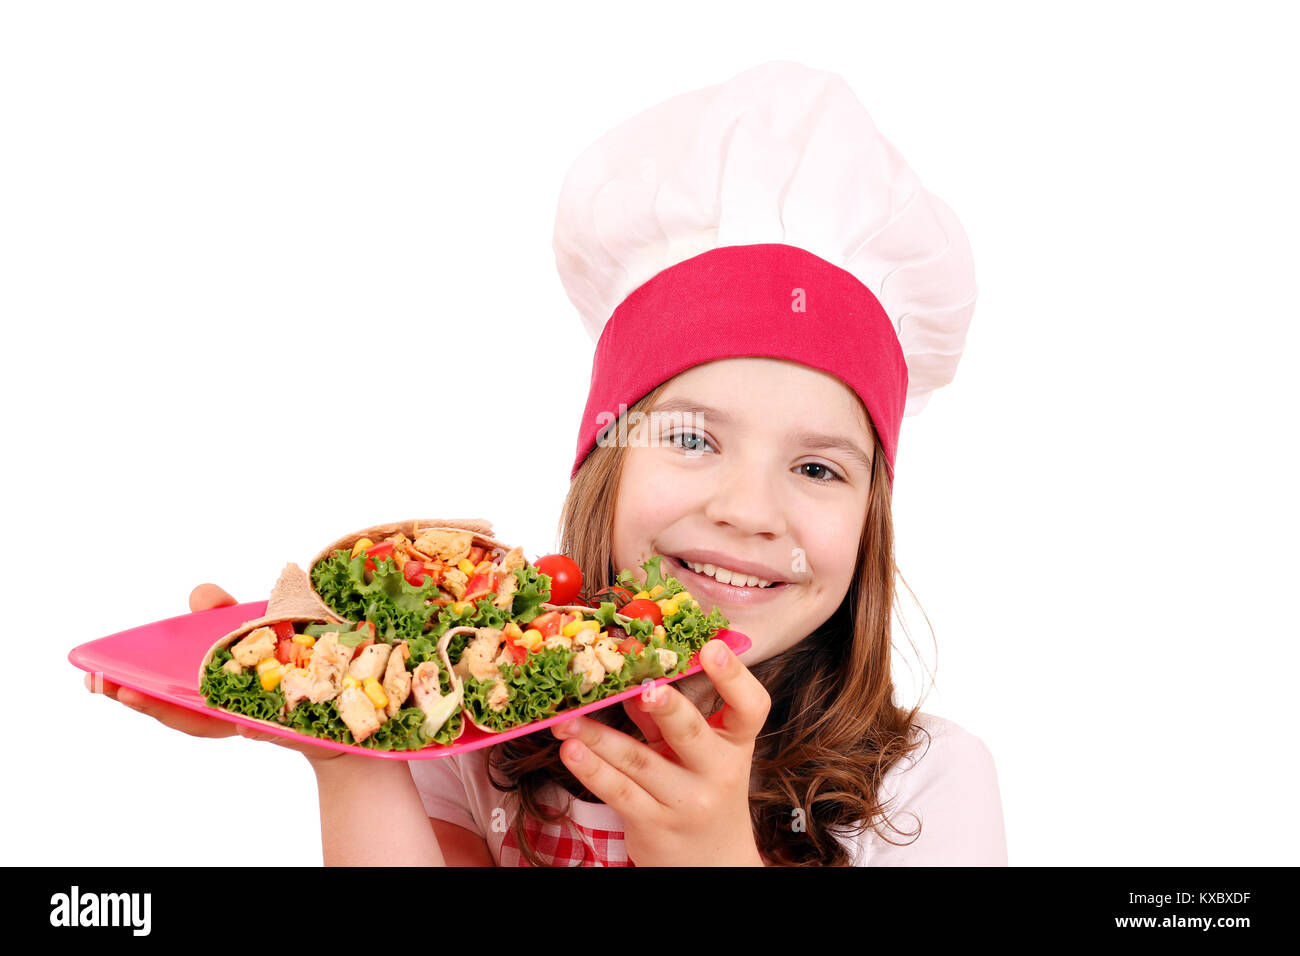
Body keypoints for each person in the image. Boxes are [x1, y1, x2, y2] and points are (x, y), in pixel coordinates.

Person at [89, 60, 1007, 866]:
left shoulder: (928, 790)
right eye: (689, 440)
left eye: (818, 469)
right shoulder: (476, 734)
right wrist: (343, 741)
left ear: (872, 518)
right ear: (601, 469)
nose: (747, 510)